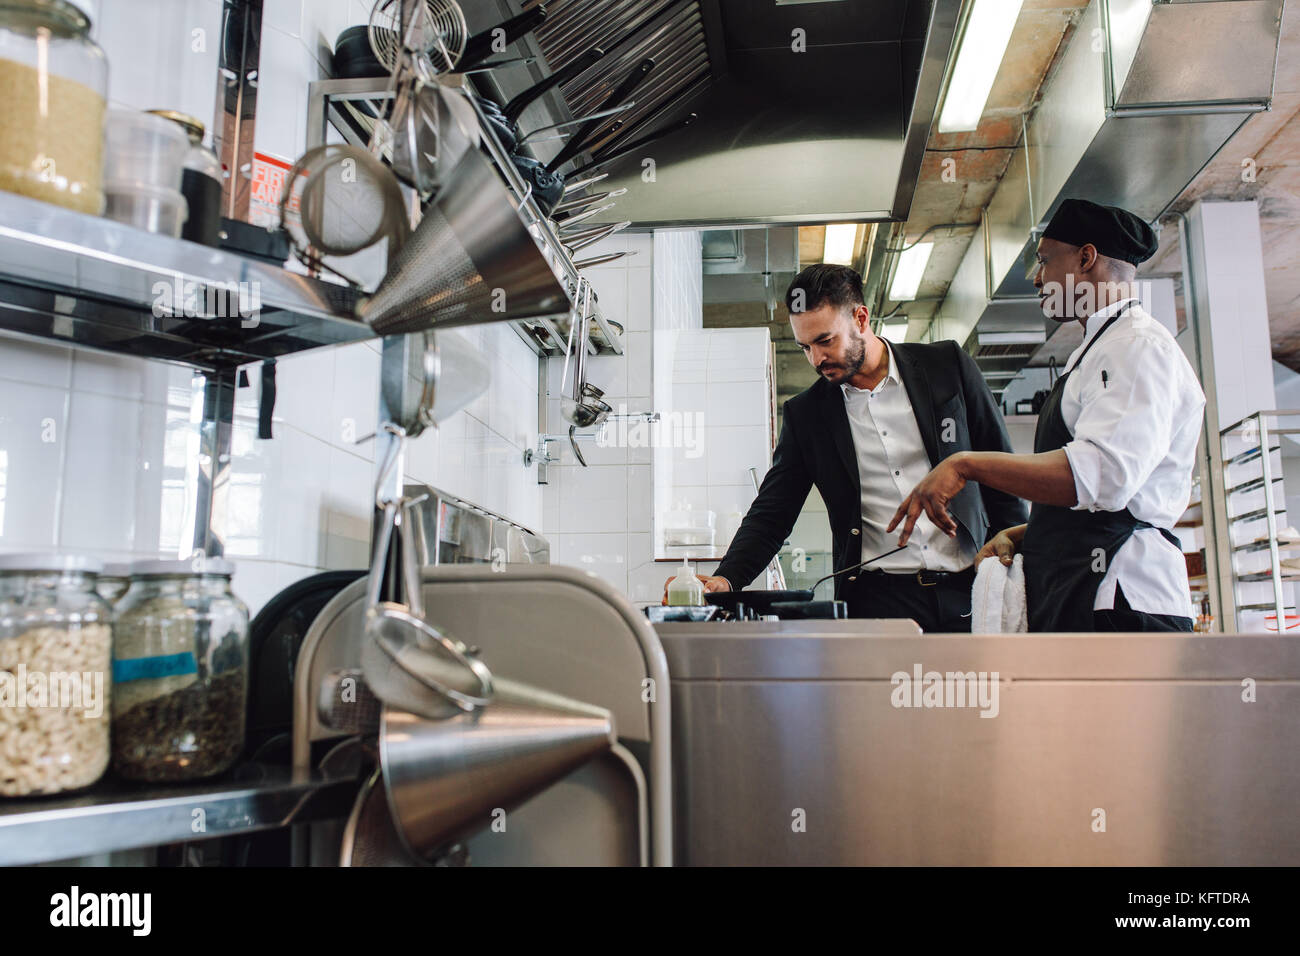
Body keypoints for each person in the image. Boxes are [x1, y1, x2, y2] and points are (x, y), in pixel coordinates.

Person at [888, 198, 1206, 632]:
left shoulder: (1136, 348)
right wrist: (1022, 535)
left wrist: (965, 464)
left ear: (1086, 257)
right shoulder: (1095, 352)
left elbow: (1103, 477)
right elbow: (1090, 500)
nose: (1038, 279)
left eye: (1043, 262)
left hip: (1121, 598)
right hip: (1079, 592)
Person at [665, 263, 1027, 632]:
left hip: (971, 586)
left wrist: (1023, 564)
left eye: (825, 340)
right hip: (878, 600)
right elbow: (772, 514)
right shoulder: (808, 415)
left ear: (860, 318)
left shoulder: (946, 366)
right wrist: (726, 580)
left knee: (979, 691)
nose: (816, 359)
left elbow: (1002, 472)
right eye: (805, 347)